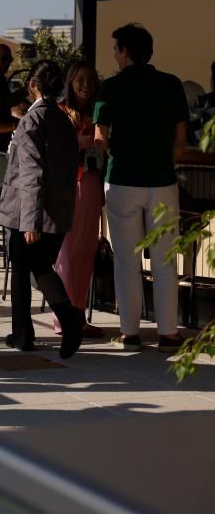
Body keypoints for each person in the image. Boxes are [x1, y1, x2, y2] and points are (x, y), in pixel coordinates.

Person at [94, 23, 188, 353]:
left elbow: (100, 137)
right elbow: (180, 138)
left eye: (116, 50)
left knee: (126, 260)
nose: (114, 56)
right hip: (162, 181)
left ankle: (130, 333)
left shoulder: (111, 87)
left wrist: (110, 156)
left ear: (124, 52)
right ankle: (168, 333)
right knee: (164, 258)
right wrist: (166, 163)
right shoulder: (171, 84)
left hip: (122, 180)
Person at [0, 60, 83, 358]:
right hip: (56, 209)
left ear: (33, 86)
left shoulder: (32, 121)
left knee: (29, 268)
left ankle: (64, 320)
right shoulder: (63, 119)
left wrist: (30, 222)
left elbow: (31, 174)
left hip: (28, 211)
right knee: (36, 266)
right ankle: (28, 332)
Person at [52, 62, 106, 338]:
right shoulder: (60, 112)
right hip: (69, 186)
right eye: (81, 79)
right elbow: (49, 151)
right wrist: (78, 144)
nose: (87, 84)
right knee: (67, 254)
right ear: (71, 82)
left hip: (93, 183)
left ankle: (79, 315)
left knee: (86, 252)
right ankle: (65, 318)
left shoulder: (99, 112)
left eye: (91, 79)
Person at [0, 44, 26, 152]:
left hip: (0, 139)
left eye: (10, 59)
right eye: (4, 59)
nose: (8, 62)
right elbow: (2, 103)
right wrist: (27, 90)